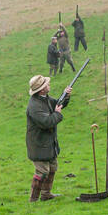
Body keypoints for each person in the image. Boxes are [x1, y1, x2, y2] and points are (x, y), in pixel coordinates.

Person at [26, 74, 71, 202]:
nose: (49, 85)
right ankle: (33, 199)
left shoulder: (44, 98)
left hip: (48, 142)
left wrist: (65, 95)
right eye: (46, 84)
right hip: (38, 143)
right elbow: (46, 122)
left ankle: (46, 194)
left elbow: (58, 104)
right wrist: (57, 114)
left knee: (52, 167)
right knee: (42, 171)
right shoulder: (34, 106)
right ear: (41, 89)